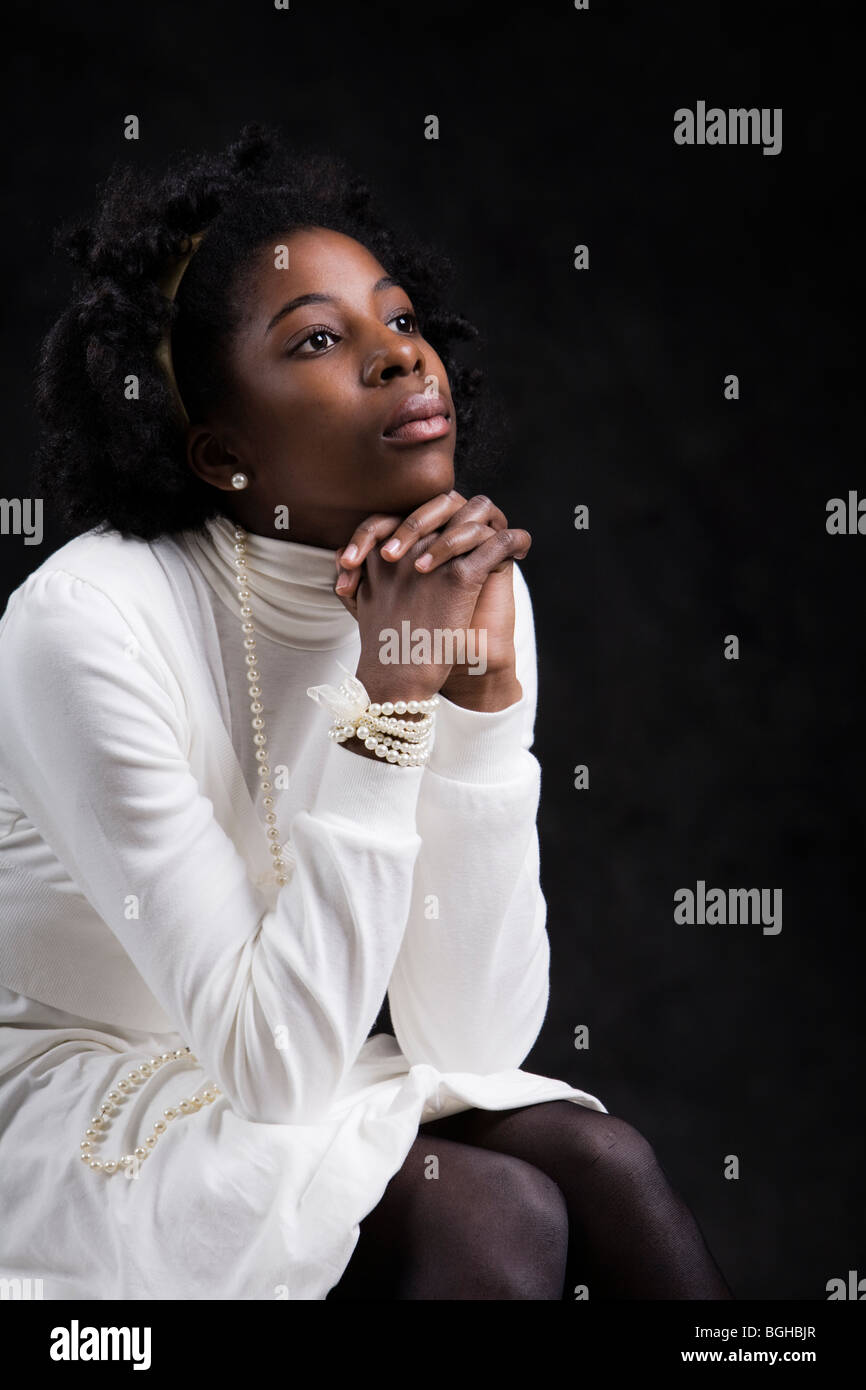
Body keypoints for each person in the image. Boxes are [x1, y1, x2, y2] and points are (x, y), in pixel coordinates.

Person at [0, 122, 733, 1300]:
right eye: (320, 342)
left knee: (602, 1163)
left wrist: (482, 715)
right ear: (220, 449)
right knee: (490, 1214)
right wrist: (388, 701)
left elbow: (473, 1043)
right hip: (86, 1101)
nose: (401, 359)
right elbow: (269, 1063)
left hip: (303, 1060)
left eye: (399, 321)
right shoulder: (82, 621)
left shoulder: (461, 586)